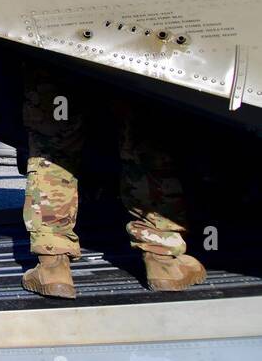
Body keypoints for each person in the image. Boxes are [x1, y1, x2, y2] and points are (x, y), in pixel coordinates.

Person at [20, 63, 206, 298]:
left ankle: (53, 265)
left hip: (53, 44)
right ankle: (162, 258)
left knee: (54, 146)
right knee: (143, 136)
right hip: (129, 52)